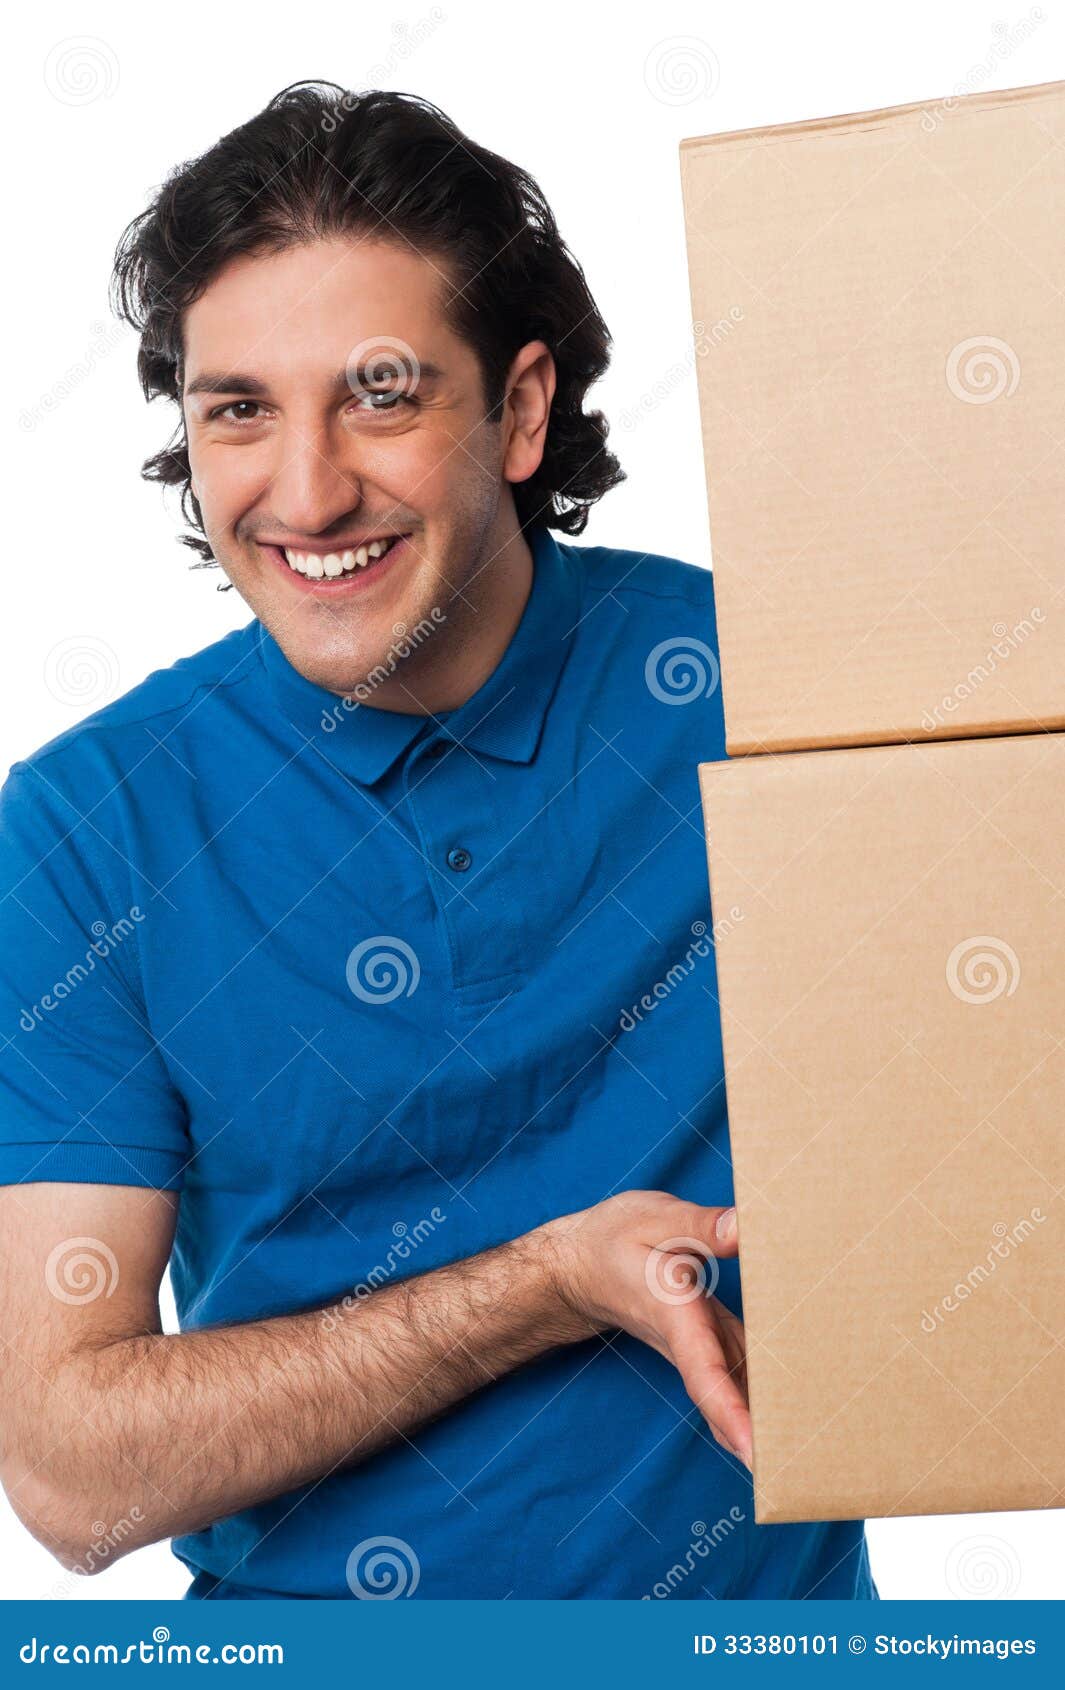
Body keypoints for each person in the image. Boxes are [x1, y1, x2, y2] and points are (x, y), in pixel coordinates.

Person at [0, 82, 876, 1601]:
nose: (307, 489)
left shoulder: (780, 698)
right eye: (240, 410)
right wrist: (540, 1284)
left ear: (521, 409)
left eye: (382, 393)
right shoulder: (85, 833)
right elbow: (71, 1475)